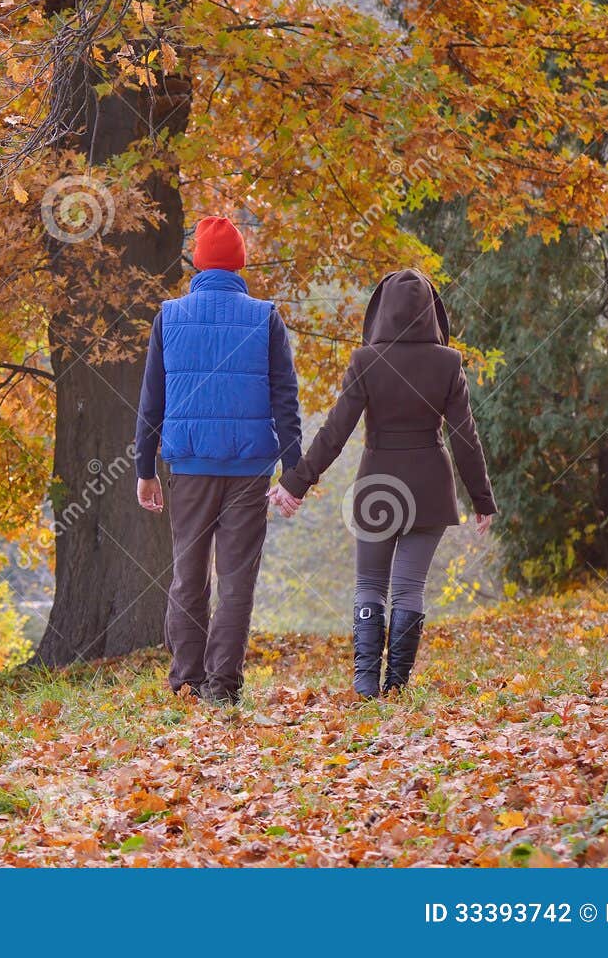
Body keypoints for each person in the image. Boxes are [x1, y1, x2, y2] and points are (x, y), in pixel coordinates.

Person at [269, 269, 497, 698]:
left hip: (378, 489)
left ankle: (365, 682)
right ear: (432, 313)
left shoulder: (366, 361)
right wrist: (482, 498)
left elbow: (335, 431)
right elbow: (465, 437)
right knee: (410, 588)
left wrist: (295, 484)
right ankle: (396, 686)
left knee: (370, 585)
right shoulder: (449, 363)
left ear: (381, 311)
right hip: (430, 490)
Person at [135, 216, 302, 704]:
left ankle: (186, 683)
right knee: (236, 582)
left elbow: (151, 400)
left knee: (188, 577)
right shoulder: (265, 316)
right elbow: (285, 398)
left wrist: (145, 469)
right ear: (239, 263)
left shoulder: (169, 317)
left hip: (189, 468)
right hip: (249, 471)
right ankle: (222, 687)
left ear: (198, 263)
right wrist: (293, 469)